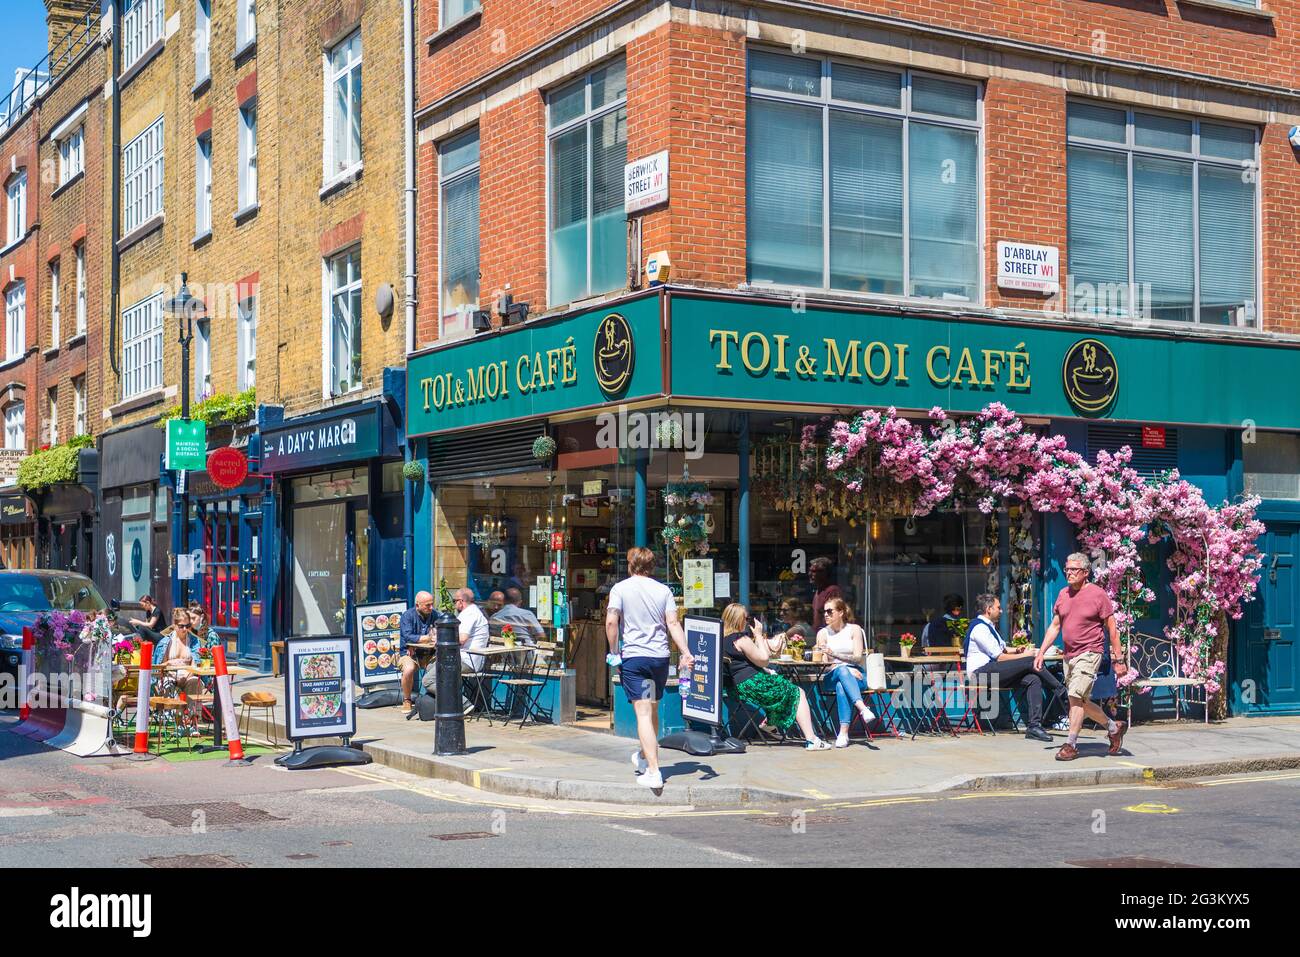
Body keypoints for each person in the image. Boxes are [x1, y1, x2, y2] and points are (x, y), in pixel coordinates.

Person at [605, 547, 695, 791]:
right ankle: (646, 755)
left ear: (630, 564)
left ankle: (654, 771)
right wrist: (685, 651)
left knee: (643, 713)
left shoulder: (620, 589)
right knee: (652, 709)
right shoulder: (663, 590)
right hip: (659, 659)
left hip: (635, 659)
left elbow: (612, 621)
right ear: (652, 566)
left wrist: (614, 652)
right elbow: (673, 623)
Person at [1035, 553, 1128, 761]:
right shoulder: (1062, 595)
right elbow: (1055, 626)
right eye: (1067, 569)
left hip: (1090, 652)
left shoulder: (1097, 594)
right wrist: (1041, 652)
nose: (1068, 573)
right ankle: (1114, 728)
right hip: (1069, 655)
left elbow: (1112, 629)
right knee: (1081, 702)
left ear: (1085, 573)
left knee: (1075, 697)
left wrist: (1118, 659)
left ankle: (1071, 745)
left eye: (1074, 570)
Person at [722, 602, 831, 750]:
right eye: (746, 619)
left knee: (780, 688)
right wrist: (759, 635)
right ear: (738, 620)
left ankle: (770, 723)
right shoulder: (741, 639)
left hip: (736, 688)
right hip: (753, 684)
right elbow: (764, 660)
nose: (748, 622)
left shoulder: (722, 640)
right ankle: (811, 739)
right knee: (798, 692)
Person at [965, 593, 1064, 742]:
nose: (1002, 610)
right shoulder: (980, 628)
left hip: (993, 672)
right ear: (988, 609)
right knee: (1031, 661)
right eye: (998, 607)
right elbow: (1000, 657)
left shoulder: (989, 627)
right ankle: (1061, 691)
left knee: (1033, 679)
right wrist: (1026, 656)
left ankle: (1034, 727)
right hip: (981, 674)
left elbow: (1003, 650)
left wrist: (1017, 650)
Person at [815, 597, 876, 748]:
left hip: (857, 676)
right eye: (824, 612)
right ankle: (862, 708)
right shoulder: (822, 633)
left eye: (830, 611)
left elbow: (857, 657)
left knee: (842, 686)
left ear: (841, 612)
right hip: (832, 676)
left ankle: (843, 734)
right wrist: (842, 667)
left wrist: (836, 656)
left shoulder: (854, 629)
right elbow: (825, 666)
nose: (826, 615)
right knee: (842, 670)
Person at [420, 588, 486, 715]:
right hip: (463, 658)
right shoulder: (471, 613)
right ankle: (441, 706)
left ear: (461, 601)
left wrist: (440, 638)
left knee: (427, 681)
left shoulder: (470, 614)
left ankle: (463, 703)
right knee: (430, 667)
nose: (454, 604)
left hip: (467, 660)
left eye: (455, 601)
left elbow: (461, 639)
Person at [398, 591, 436, 715]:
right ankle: (407, 700)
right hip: (409, 654)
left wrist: (428, 638)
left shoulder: (435, 615)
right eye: (427, 605)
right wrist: (428, 637)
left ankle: (431, 700)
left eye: (432, 604)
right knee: (408, 669)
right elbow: (408, 637)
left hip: (429, 654)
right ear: (417, 605)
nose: (431, 608)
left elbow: (440, 633)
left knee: (441, 667)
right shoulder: (407, 616)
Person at [157, 608, 203, 708]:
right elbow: (160, 667)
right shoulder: (166, 642)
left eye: (187, 626)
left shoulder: (194, 642)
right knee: (167, 684)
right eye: (181, 626)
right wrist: (170, 663)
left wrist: (185, 678)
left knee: (196, 681)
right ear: (174, 625)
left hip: (188, 676)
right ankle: (175, 716)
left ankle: (192, 716)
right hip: (170, 676)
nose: (185, 629)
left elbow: (195, 666)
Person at [809, 556, 843, 632]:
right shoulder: (818, 591)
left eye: (815, 571)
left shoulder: (832, 591)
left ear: (825, 573)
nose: (811, 574)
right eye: (810, 571)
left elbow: (835, 618)